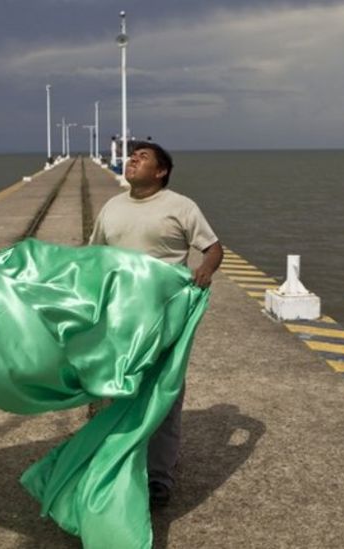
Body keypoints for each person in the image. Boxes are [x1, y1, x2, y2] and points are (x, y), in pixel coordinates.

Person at [89, 141, 223, 507]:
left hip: (164, 316)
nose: (132, 159)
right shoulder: (112, 207)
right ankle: (120, 463)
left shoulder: (180, 207)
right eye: (131, 155)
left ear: (161, 171)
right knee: (117, 391)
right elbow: (93, 256)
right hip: (119, 317)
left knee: (164, 395)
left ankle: (158, 477)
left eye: (142, 156)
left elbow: (213, 248)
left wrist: (205, 272)